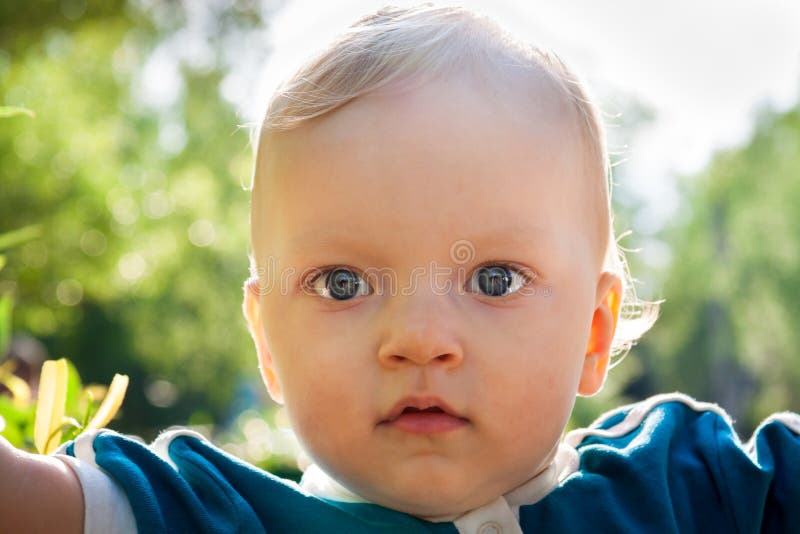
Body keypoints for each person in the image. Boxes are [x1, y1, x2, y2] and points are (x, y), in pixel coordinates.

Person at [1, 3, 799, 533]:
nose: (419, 339)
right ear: (269, 345)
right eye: (342, 284)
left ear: (592, 331)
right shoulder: (220, 516)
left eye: (494, 279)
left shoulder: (693, 490)